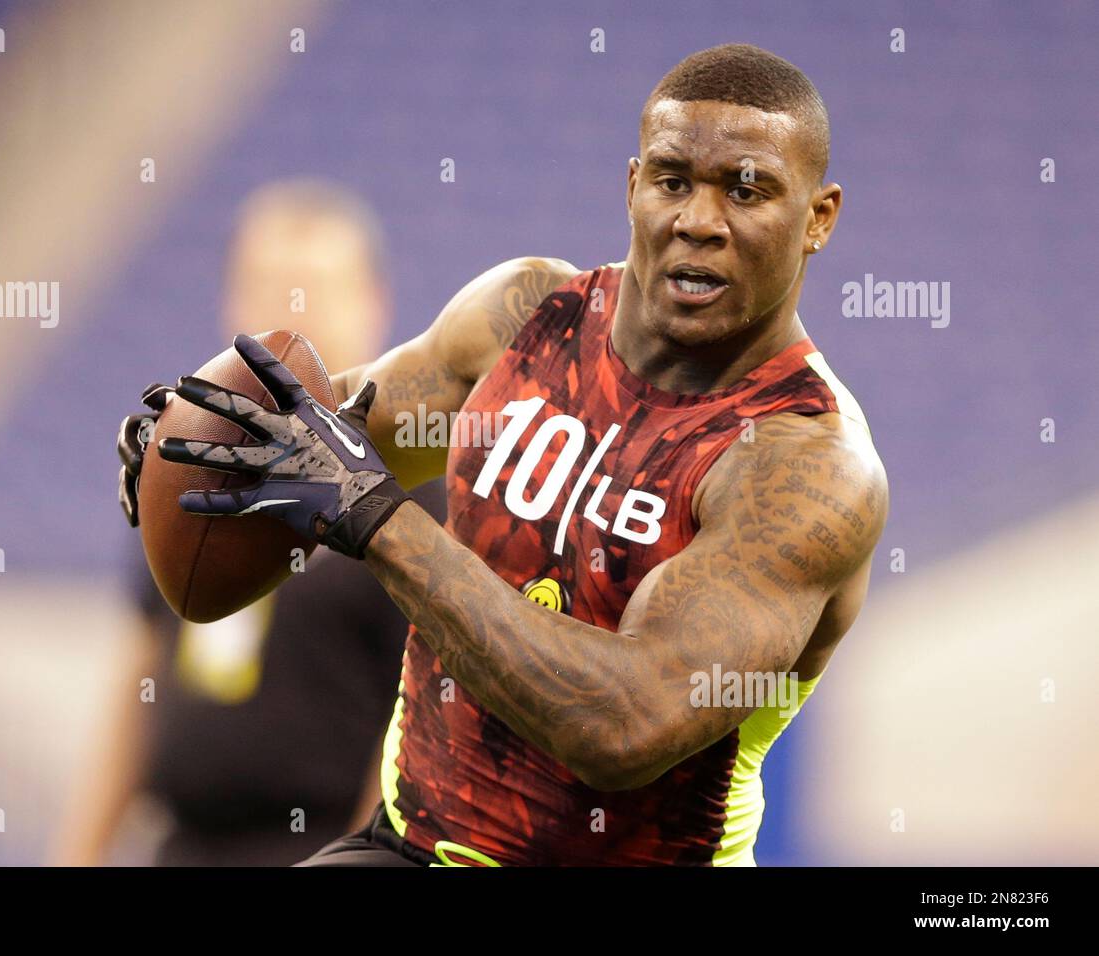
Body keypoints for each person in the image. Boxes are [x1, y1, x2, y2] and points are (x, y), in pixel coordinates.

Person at [118, 44, 888, 866]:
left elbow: (626, 726)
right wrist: (204, 447)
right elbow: (322, 437)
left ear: (820, 217)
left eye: (746, 188)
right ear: (633, 187)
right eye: (673, 180)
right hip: (417, 847)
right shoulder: (523, 317)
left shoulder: (808, 467)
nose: (699, 219)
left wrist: (376, 519)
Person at [55, 179, 444, 866]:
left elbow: (417, 733)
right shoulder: (190, 463)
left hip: (312, 847)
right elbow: (141, 677)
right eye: (267, 286)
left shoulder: (413, 490)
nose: (291, 314)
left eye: (315, 288)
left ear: (374, 305)